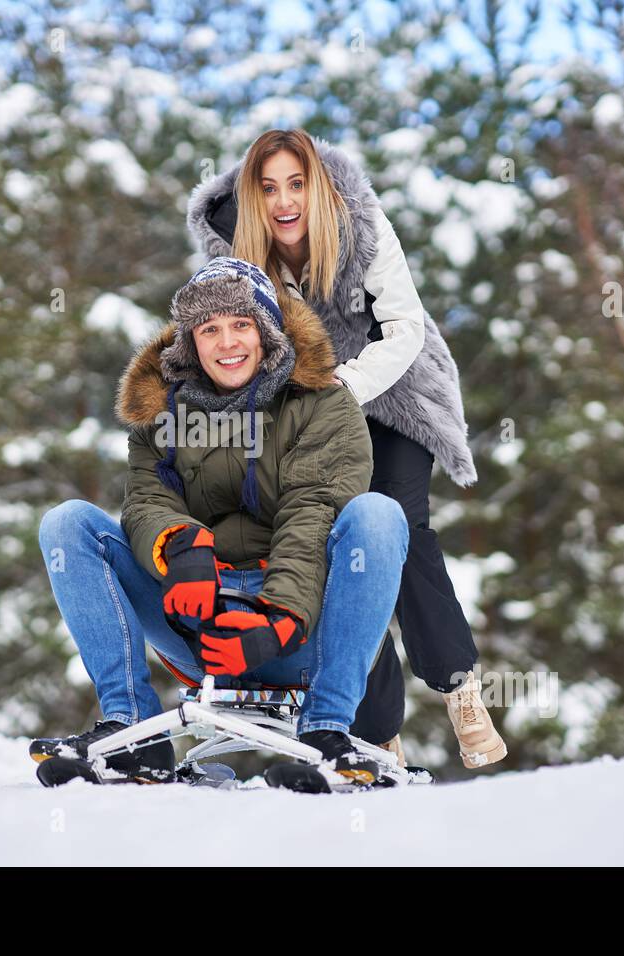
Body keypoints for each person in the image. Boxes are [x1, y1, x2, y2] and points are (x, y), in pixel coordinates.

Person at [187, 128, 506, 769]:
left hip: (393, 390)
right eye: (270, 188)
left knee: (398, 520)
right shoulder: (231, 249)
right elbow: (230, 348)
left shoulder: (360, 222)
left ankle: (458, 686)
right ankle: (376, 722)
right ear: (252, 196)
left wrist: (344, 385)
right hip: (303, 413)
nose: (285, 202)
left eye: (297, 185)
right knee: (343, 545)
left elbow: (405, 328)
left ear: (318, 185)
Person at [33, 257, 408, 784]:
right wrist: (181, 546)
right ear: (191, 342)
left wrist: (276, 618)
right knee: (68, 524)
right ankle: (131, 729)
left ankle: (327, 731)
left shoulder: (323, 403)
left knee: (377, 515)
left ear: (267, 332)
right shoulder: (160, 414)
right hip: (198, 624)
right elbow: (145, 501)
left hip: (298, 633)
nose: (226, 342)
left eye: (240, 324)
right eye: (209, 329)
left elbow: (314, 510)